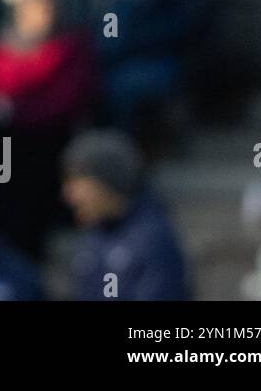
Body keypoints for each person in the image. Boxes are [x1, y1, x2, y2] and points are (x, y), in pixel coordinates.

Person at [62, 129, 190, 301]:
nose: (70, 195)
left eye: (78, 181)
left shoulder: (153, 241)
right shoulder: (95, 237)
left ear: (106, 182)